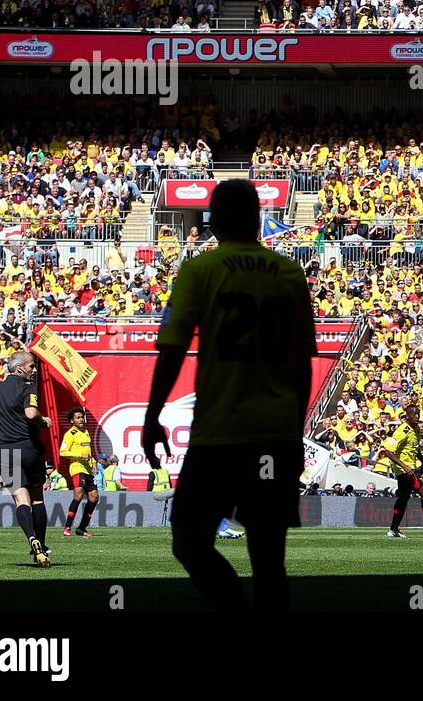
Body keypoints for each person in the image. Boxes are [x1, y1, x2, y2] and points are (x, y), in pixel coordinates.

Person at [144, 179, 317, 612]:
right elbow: (301, 364)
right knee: (268, 558)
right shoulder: (290, 273)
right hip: (274, 435)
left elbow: (172, 347)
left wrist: (153, 415)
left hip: (220, 431)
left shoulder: (201, 269)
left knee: (187, 539)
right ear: (257, 218)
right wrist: (295, 434)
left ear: (215, 220)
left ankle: (234, 612)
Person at [0, 351, 52, 567]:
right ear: (19, 369)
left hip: (5, 452)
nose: (34, 370)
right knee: (37, 498)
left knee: (20, 499)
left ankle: (31, 538)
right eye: (31, 366)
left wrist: (0, 424)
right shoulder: (27, 388)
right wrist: (43, 421)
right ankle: (41, 545)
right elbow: (30, 414)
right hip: (28, 448)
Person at [378, 402, 423, 538]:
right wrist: (405, 466)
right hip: (404, 470)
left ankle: (393, 529)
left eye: (418, 413)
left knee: (403, 499)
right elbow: (388, 452)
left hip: (410, 469)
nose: (417, 416)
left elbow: (414, 448)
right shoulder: (401, 431)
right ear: (407, 416)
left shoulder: (416, 429)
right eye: (414, 414)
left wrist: (421, 462)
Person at [59, 407, 99, 538]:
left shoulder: (86, 432)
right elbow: (62, 452)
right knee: (79, 495)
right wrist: (79, 456)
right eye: (78, 417)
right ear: (72, 421)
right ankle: (68, 526)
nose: (81, 419)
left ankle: (81, 528)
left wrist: (93, 462)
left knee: (94, 497)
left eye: (82, 417)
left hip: (87, 469)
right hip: (77, 467)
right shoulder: (70, 434)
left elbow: (88, 452)